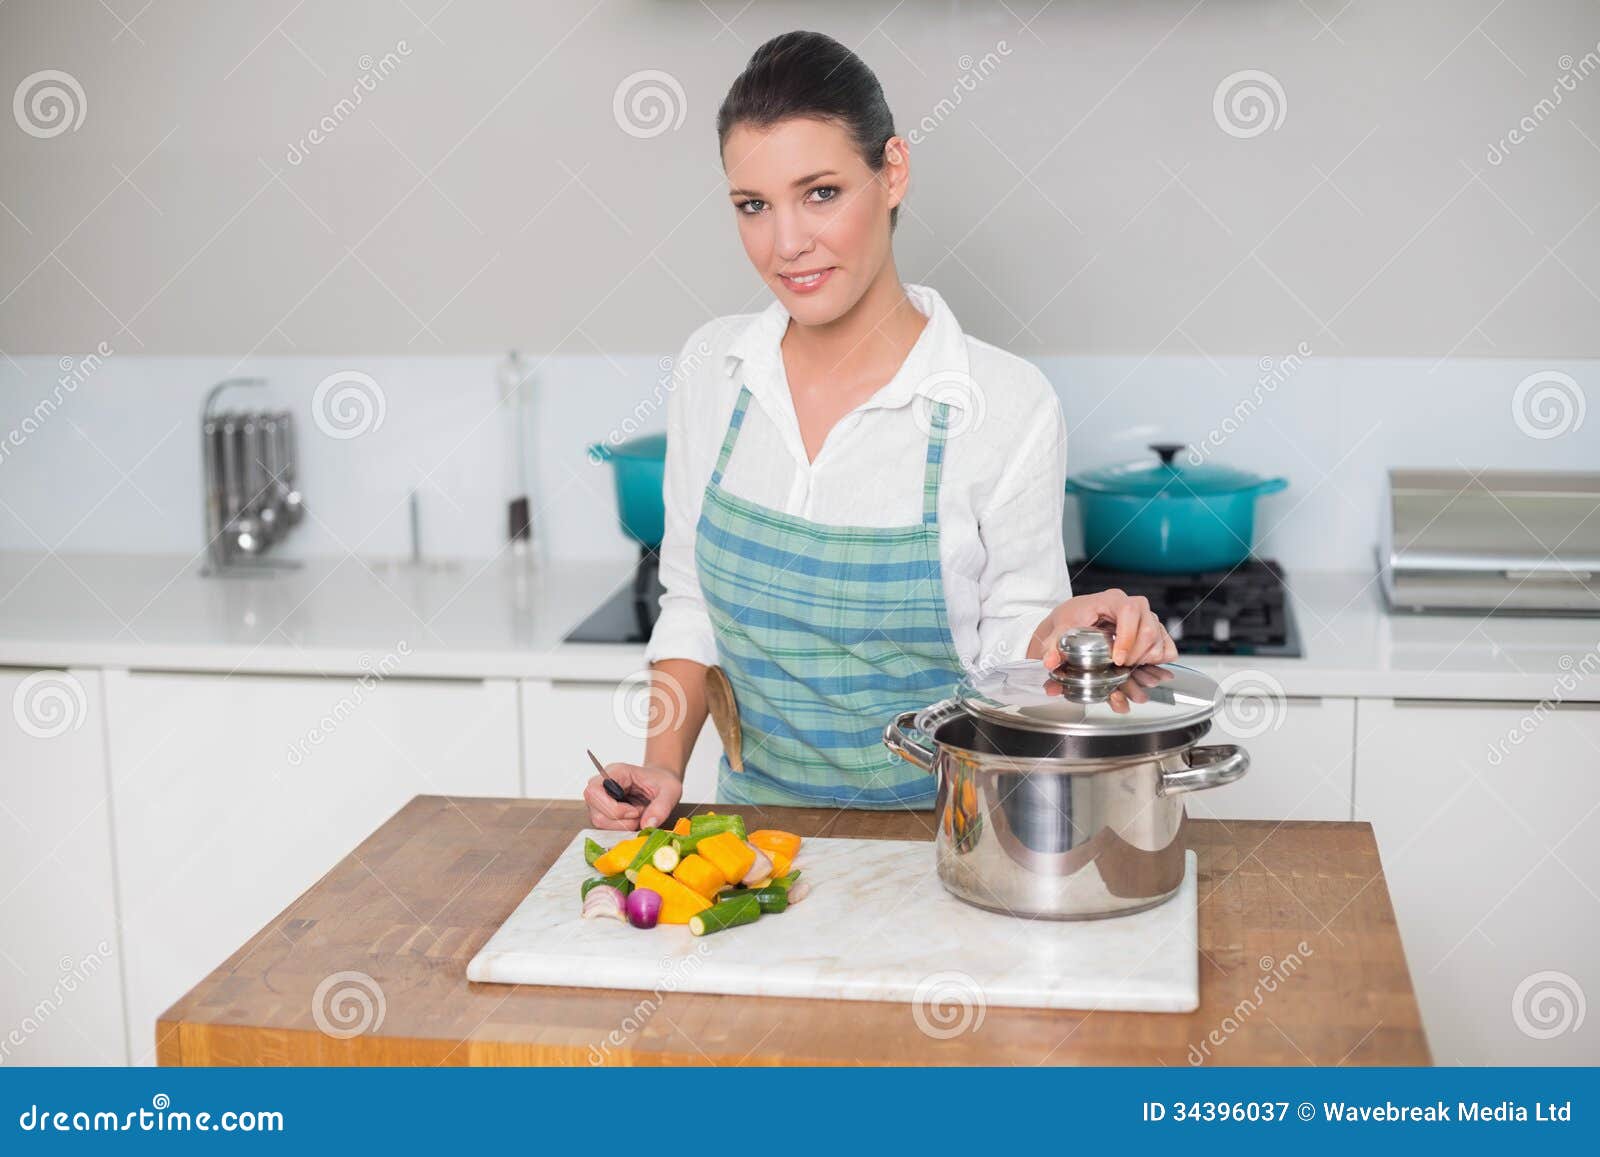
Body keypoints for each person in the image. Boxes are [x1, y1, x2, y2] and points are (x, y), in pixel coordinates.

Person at [585, 30, 1175, 830]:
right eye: (753, 206)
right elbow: (690, 600)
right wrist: (661, 766)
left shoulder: (1004, 403)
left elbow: (1009, 652)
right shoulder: (713, 370)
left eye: (820, 192)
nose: (786, 244)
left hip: (952, 849)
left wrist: (1063, 628)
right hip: (750, 848)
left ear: (892, 171)